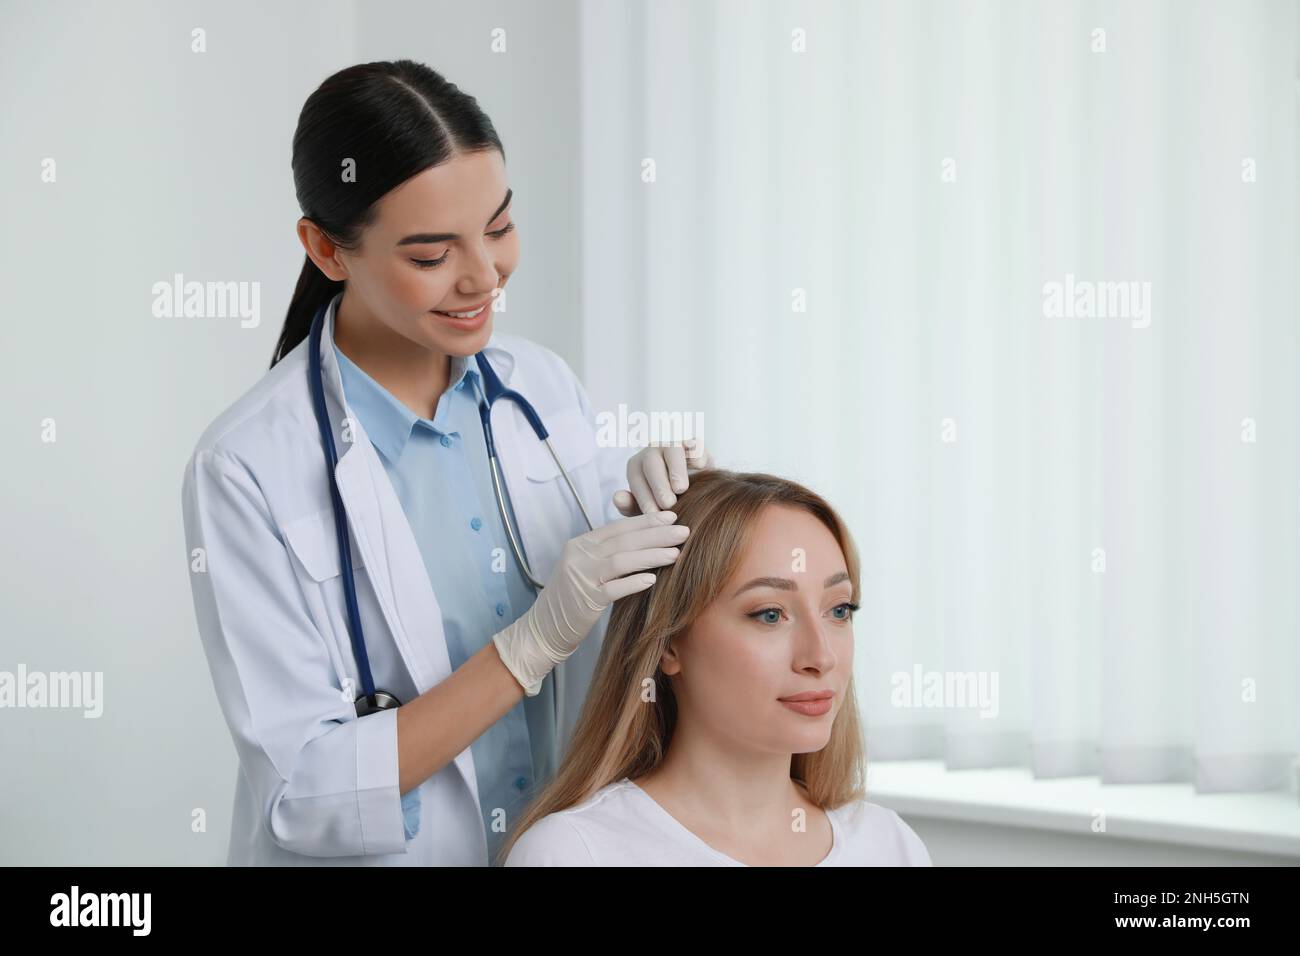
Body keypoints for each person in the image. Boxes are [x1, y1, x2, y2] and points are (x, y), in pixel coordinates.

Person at [181, 59, 711, 865]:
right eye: (431, 255)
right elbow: (306, 794)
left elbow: (630, 628)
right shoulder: (248, 465)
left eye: (498, 228)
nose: (484, 277)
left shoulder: (539, 389)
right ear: (327, 249)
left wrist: (662, 503)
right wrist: (526, 648)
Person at [502, 470, 932, 866]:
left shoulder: (889, 845)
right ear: (669, 644)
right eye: (769, 614)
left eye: (838, 609)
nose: (821, 657)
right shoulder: (575, 853)